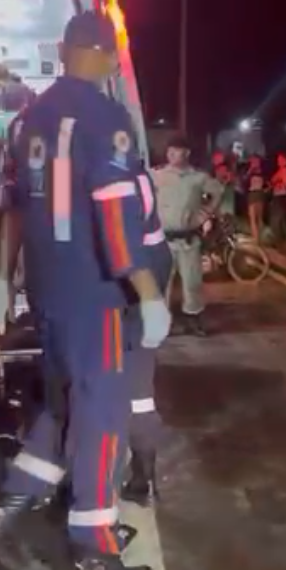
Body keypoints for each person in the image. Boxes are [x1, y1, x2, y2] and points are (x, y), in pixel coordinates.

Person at [0, 11, 170, 570]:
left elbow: (11, 210)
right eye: (112, 58)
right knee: (103, 420)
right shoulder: (105, 118)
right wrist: (149, 293)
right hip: (98, 298)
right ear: (102, 54)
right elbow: (115, 217)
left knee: (60, 411)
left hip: (50, 295)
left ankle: (2, 515)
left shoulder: (26, 120)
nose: (113, 68)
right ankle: (94, 554)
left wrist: (4, 283)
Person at [123, 166, 174, 506]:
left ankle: (141, 478)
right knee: (139, 392)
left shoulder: (98, 175)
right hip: (144, 284)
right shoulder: (136, 175)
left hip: (121, 291)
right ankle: (145, 479)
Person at [153, 138, 223, 337]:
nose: (174, 156)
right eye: (171, 152)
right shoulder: (156, 175)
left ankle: (193, 319)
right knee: (162, 283)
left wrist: (205, 214)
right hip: (162, 240)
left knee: (192, 282)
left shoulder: (198, 177)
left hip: (188, 240)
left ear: (187, 154)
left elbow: (217, 192)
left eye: (178, 152)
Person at [269, 152, 286, 241]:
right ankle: (280, 238)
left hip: (281, 196)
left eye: (280, 159)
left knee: (278, 218)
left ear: (285, 160)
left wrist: (280, 183)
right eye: (278, 159)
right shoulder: (281, 169)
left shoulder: (285, 169)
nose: (278, 161)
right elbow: (272, 180)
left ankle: (280, 239)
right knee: (278, 218)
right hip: (279, 196)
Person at [244, 154, 268, 242]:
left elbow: (267, 184)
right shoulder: (250, 171)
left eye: (255, 161)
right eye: (252, 161)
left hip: (258, 194)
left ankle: (259, 238)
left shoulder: (262, 172)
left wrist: (265, 189)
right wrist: (250, 170)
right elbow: (244, 181)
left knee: (258, 217)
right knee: (253, 217)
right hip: (253, 194)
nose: (253, 162)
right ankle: (256, 238)